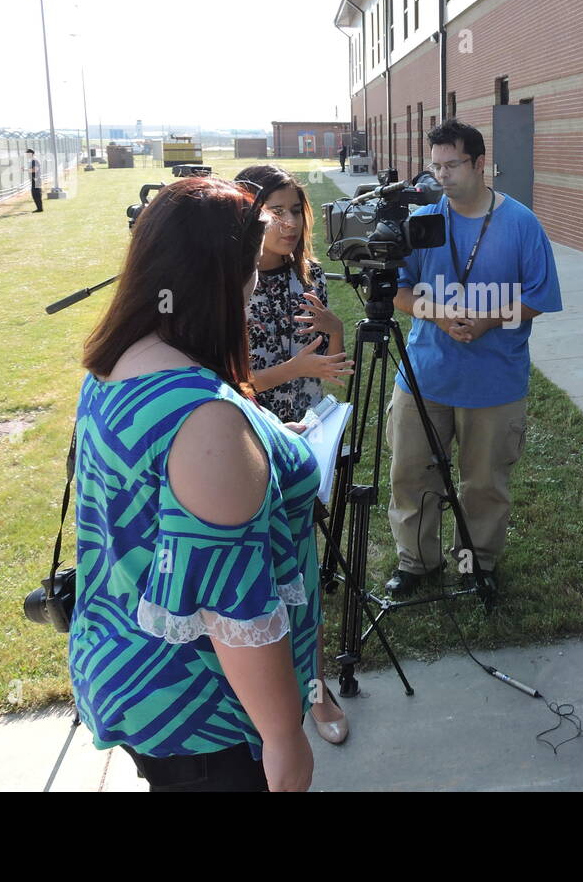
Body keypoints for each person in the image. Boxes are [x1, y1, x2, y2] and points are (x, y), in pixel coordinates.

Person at [70, 176, 319, 792]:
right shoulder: (204, 422)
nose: (257, 277)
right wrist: (285, 738)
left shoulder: (116, 362)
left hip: (127, 670)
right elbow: (232, 610)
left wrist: (254, 439)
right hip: (212, 722)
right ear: (216, 278)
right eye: (250, 263)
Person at [385, 119, 563, 598]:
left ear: (480, 163)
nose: (441, 175)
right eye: (435, 165)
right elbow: (398, 293)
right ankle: (417, 562)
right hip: (425, 375)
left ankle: (476, 562)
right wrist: (439, 315)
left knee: (484, 483)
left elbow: (540, 296)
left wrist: (487, 320)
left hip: (494, 383)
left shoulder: (522, 223)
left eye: (452, 165)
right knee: (410, 475)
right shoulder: (422, 220)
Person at [234, 164, 353, 745]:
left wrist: (333, 330)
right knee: (253, 576)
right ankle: (253, 694)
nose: (286, 222)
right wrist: (299, 367)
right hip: (248, 446)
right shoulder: (228, 284)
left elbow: (331, 364)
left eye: (294, 210)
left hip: (307, 440)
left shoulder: (310, 276)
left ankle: (315, 687)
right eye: (272, 211)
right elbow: (231, 380)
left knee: (303, 572)